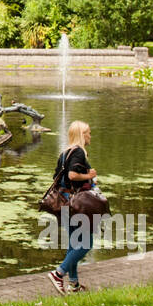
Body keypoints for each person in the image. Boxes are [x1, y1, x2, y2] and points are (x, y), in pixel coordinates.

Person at [48, 120, 98, 295]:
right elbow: (72, 175)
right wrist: (89, 175)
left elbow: (57, 176)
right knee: (86, 243)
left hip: (63, 202)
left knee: (74, 244)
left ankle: (74, 284)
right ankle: (58, 273)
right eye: (88, 133)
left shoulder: (65, 153)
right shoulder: (78, 152)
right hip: (75, 203)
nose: (90, 136)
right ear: (81, 135)